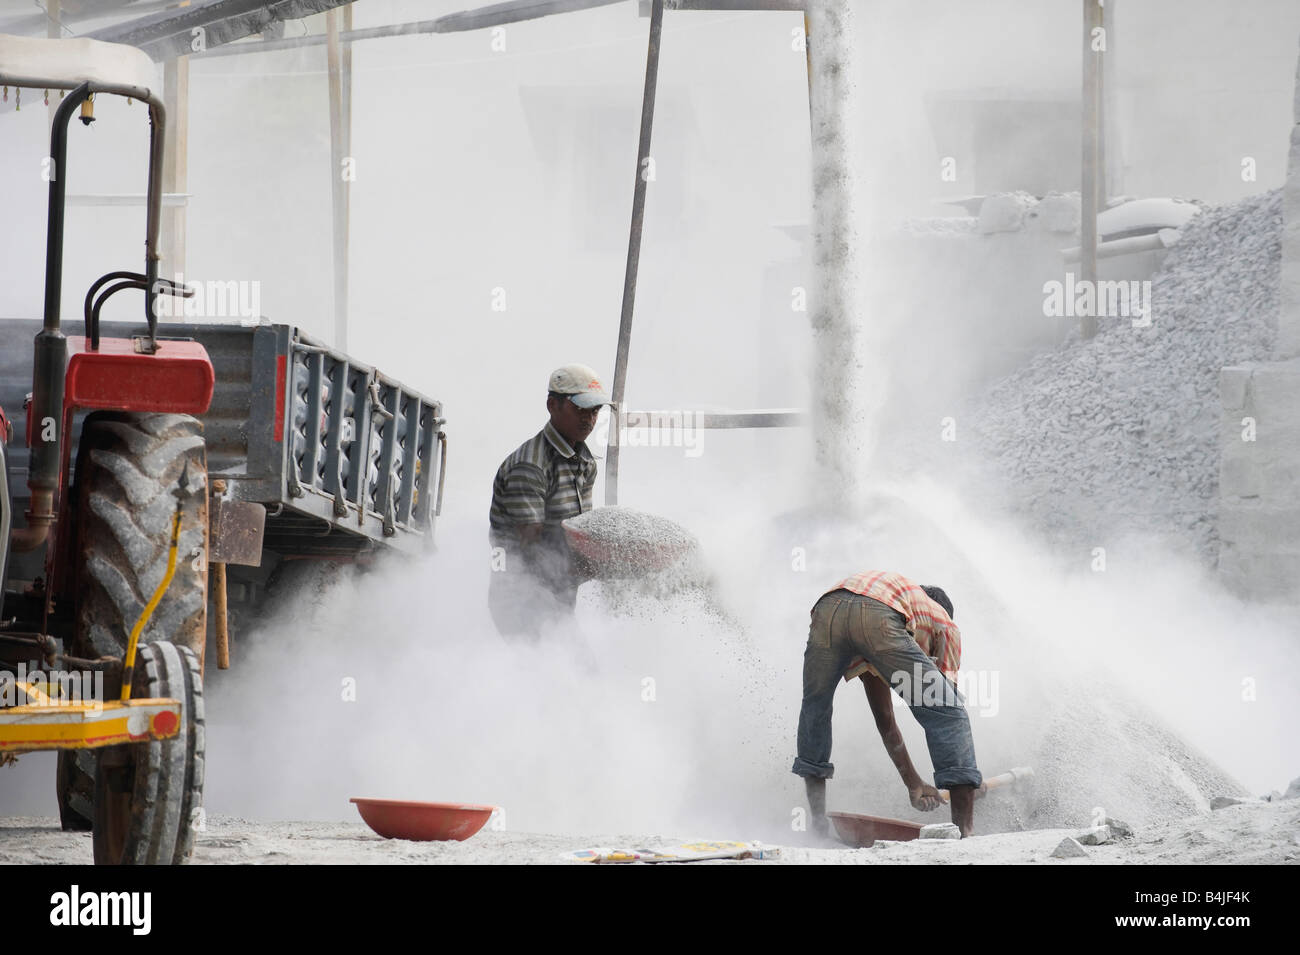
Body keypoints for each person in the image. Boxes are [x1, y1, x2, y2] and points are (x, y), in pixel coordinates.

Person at [791, 571, 984, 837]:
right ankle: (964, 831)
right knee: (949, 714)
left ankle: (818, 827)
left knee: (816, 708)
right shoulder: (944, 621)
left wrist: (914, 784)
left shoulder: (888, 625)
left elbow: (885, 718)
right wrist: (965, 780)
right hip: (878, 612)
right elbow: (947, 711)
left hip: (828, 607)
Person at [487, 364, 612, 637]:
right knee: (571, 674)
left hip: (557, 599)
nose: (589, 419)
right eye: (580, 409)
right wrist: (601, 563)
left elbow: (579, 532)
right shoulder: (529, 467)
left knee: (572, 674)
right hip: (522, 600)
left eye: (595, 411)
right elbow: (533, 548)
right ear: (552, 405)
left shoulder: (585, 463)